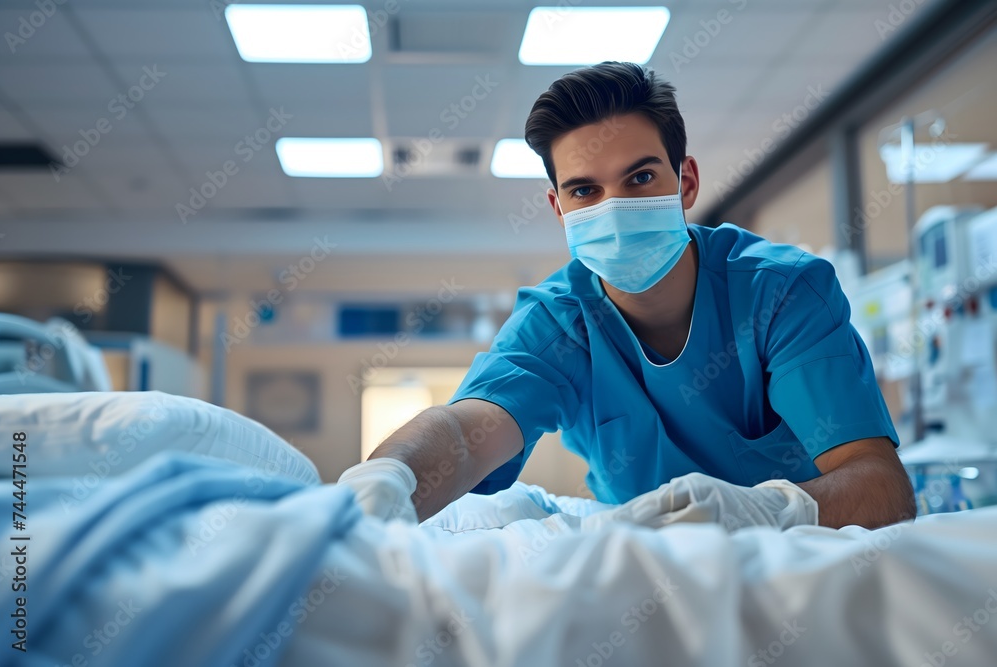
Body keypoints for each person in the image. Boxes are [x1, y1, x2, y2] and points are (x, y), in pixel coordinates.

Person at [338, 61, 915, 531]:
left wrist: (768, 512)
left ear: (685, 181)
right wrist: (389, 479)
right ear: (559, 207)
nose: (611, 208)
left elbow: (880, 484)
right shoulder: (558, 322)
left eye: (639, 178)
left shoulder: (782, 292)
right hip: (645, 565)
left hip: (805, 556)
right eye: (585, 190)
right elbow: (467, 433)